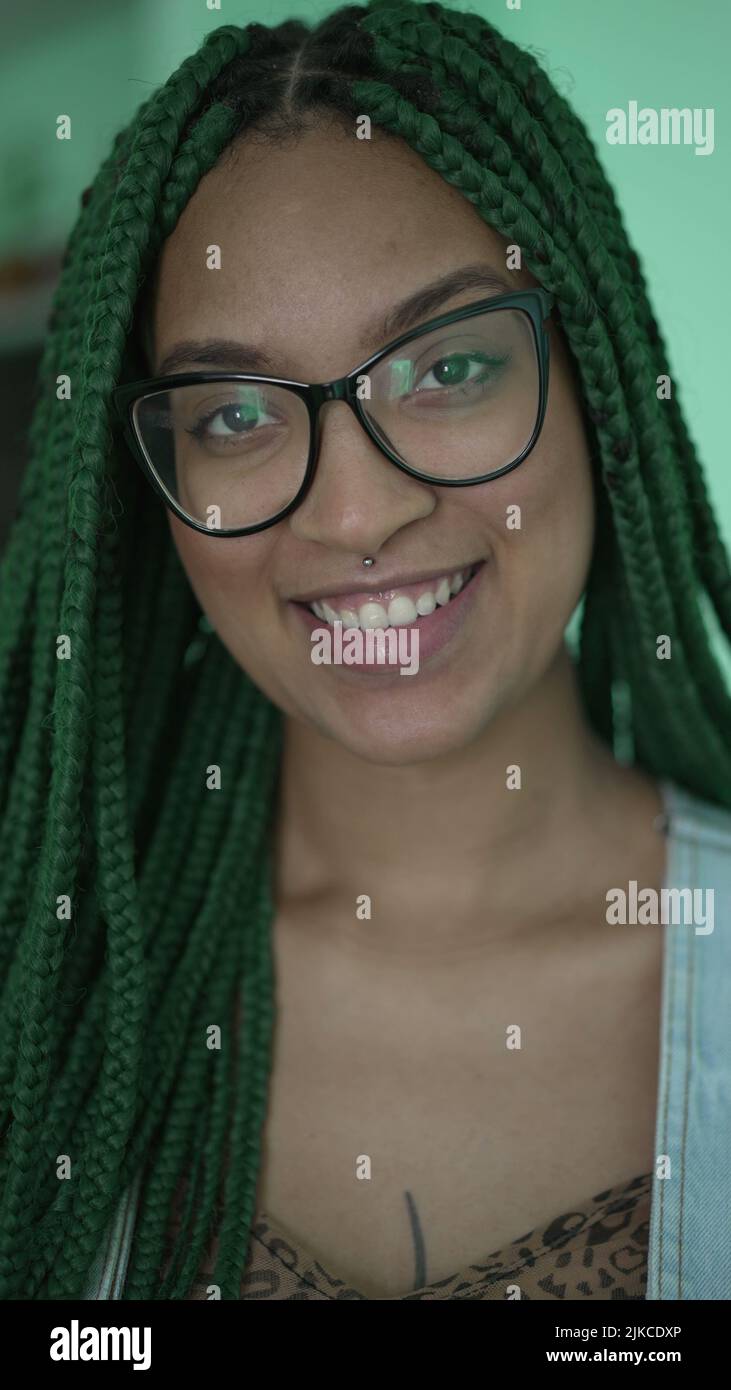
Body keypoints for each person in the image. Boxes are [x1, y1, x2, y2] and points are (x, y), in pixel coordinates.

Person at [1, 0, 730, 1303]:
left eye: (447, 367)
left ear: (595, 381)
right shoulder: (38, 981)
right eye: (232, 412)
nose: (354, 514)